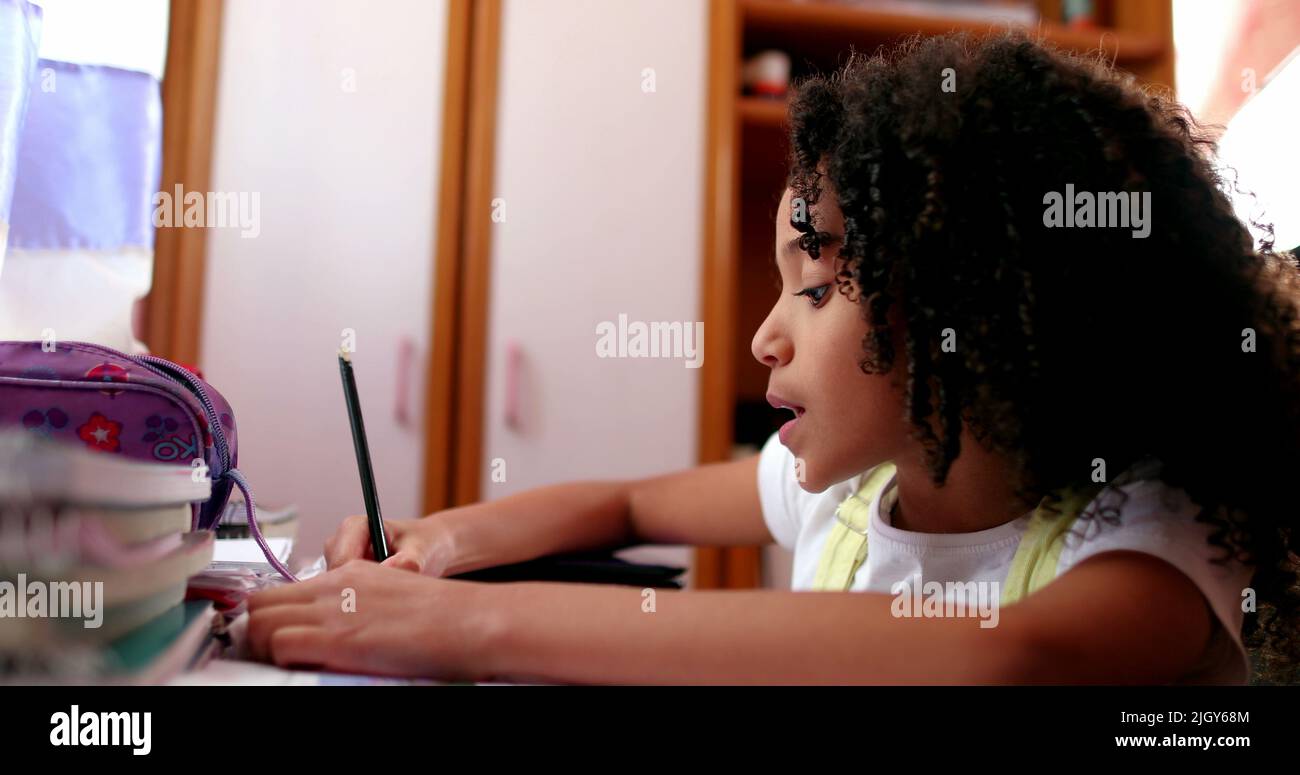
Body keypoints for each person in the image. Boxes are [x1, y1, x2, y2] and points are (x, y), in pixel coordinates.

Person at [246, 32, 1300, 685]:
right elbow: (623, 507)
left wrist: (471, 624)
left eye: (814, 283)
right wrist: (438, 546)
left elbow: (995, 654)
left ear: (971, 305)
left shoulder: (1141, 539)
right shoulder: (854, 496)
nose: (765, 334)